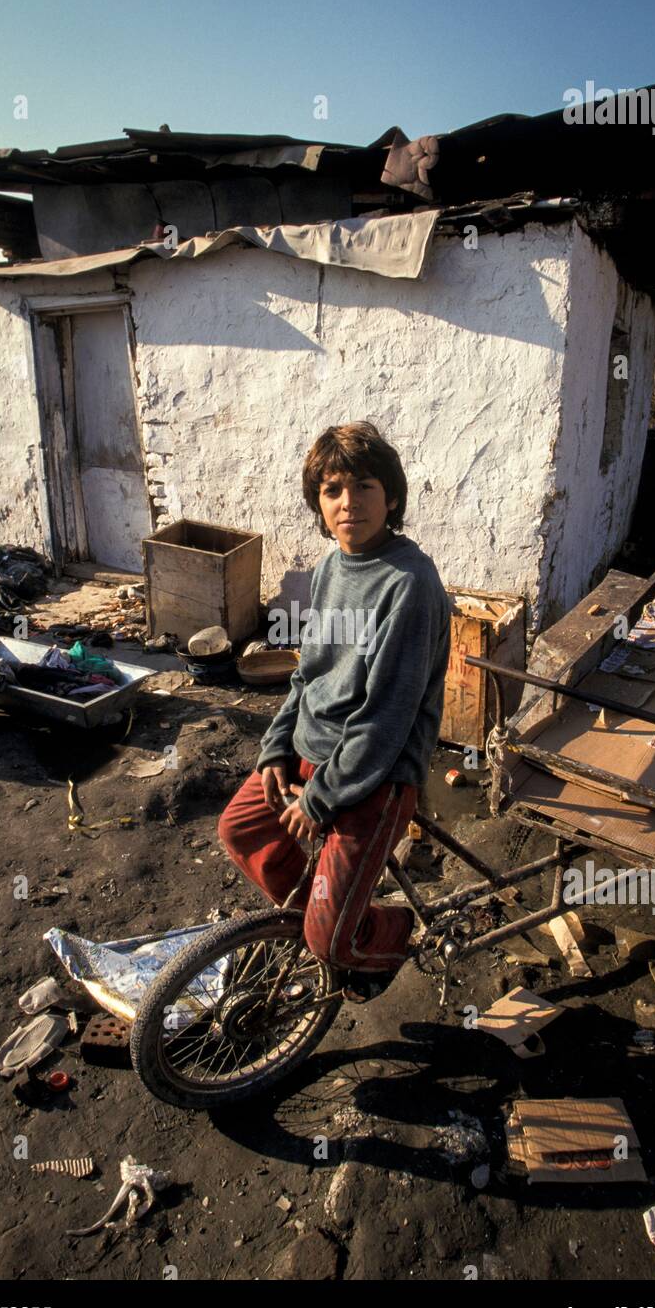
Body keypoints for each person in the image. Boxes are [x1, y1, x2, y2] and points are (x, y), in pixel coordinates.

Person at [218, 421, 451, 1000]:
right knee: (242, 830)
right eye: (332, 490)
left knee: (333, 945)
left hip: (375, 774)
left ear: (391, 497)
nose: (349, 504)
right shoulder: (327, 570)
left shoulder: (410, 584)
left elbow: (387, 719)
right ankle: (328, 911)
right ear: (318, 502)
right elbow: (306, 675)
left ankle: (395, 931)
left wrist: (322, 800)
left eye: (365, 487)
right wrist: (276, 747)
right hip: (309, 752)